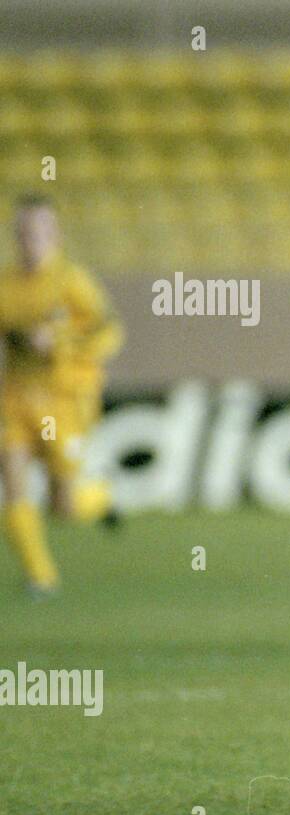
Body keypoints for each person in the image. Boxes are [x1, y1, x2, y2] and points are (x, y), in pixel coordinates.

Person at [0, 194, 122, 596]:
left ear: (55, 235)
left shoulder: (71, 282)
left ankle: (100, 496)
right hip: (15, 397)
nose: (31, 239)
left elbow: (108, 333)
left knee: (63, 506)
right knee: (13, 480)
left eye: (39, 231)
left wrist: (57, 340)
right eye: (24, 231)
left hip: (63, 401)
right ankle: (41, 576)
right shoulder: (6, 284)